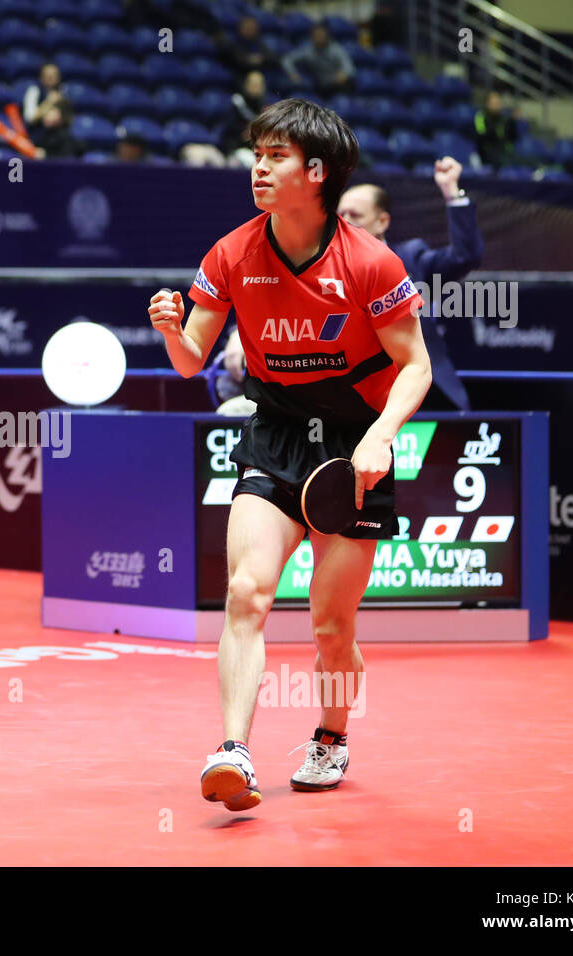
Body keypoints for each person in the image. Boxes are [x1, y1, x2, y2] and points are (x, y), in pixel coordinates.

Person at [147, 98, 431, 810]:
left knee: (333, 625)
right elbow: (190, 363)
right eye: (257, 154)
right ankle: (234, 753)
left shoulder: (369, 262)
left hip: (352, 444)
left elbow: (416, 367)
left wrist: (379, 437)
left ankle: (330, 739)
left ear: (318, 172)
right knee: (246, 592)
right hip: (274, 434)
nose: (260, 168)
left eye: (277, 156)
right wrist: (170, 331)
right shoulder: (234, 252)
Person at [337, 157, 483, 410]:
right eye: (341, 215)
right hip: (356, 400)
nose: (346, 222)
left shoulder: (410, 259)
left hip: (428, 398)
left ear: (382, 221)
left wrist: (451, 192)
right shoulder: (324, 270)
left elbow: (465, 256)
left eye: (356, 215)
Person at [282, 23, 354, 95]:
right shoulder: (307, 51)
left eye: (322, 35)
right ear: (312, 37)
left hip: (337, 83)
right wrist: (293, 74)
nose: (319, 37)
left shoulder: (336, 49)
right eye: (316, 35)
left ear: (327, 36)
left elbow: (349, 68)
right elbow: (287, 60)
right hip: (320, 86)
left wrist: (344, 74)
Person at [218, 70, 269, 167]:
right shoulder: (236, 105)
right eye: (253, 84)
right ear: (246, 85)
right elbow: (229, 134)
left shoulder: (266, 107)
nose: (257, 87)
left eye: (259, 84)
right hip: (238, 149)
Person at [474, 89, 518, 169]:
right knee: (505, 163)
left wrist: (512, 122)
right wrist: (495, 122)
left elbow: (513, 137)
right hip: (487, 153)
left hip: (504, 152)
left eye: (498, 103)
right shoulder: (481, 116)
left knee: (523, 161)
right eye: (494, 103)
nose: (497, 105)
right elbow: (481, 136)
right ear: (487, 104)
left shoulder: (504, 118)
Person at [22, 61, 62, 127]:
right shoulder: (34, 90)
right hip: (38, 131)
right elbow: (30, 118)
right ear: (41, 77)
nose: (51, 78)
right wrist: (49, 102)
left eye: (54, 75)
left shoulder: (62, 91)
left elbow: (69, 118)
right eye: (48, 75)